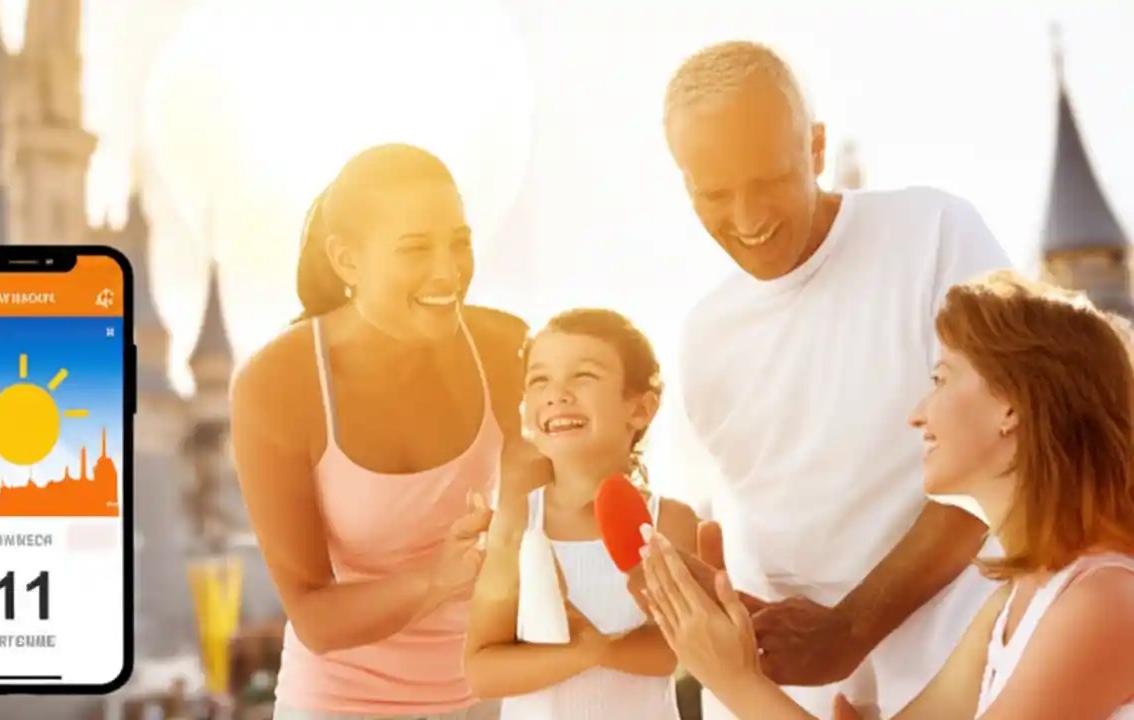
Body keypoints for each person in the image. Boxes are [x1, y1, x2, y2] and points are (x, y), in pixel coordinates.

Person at [643, 40, 1014, 718]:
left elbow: (1006, 448)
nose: (748, 219)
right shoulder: (702, 336)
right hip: (785, 698)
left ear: (815, 148)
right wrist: (685, 585)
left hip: (960, 677)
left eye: (770, 179)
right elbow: (684, 517)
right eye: (716, 194)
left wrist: (851, 629)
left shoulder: (934, 233)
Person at [642, 270, 1134, 719]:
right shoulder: (1017, 602)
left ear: (1012, 405)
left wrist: (732, 678)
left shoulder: (1102, 601)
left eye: (941, 379)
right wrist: (728, 637)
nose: (918, 414)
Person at [230, 143, 529, 719]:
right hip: (340, 703)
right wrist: (437, 580)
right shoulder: (278, 384)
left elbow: (559, 513)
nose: (448, 271)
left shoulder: (505, 349)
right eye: (415, 249)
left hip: (487, 696)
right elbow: (313, 616)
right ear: (347, 261)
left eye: (459, 242)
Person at [464, 308, 697, 719]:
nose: (557, 393)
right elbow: (483, 671)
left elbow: (673, 651)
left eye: (584, 376)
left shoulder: (668, 521)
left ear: (640, 409)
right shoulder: (517, 523)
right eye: (539, 380)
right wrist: (584, 652)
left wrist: (598, 649)